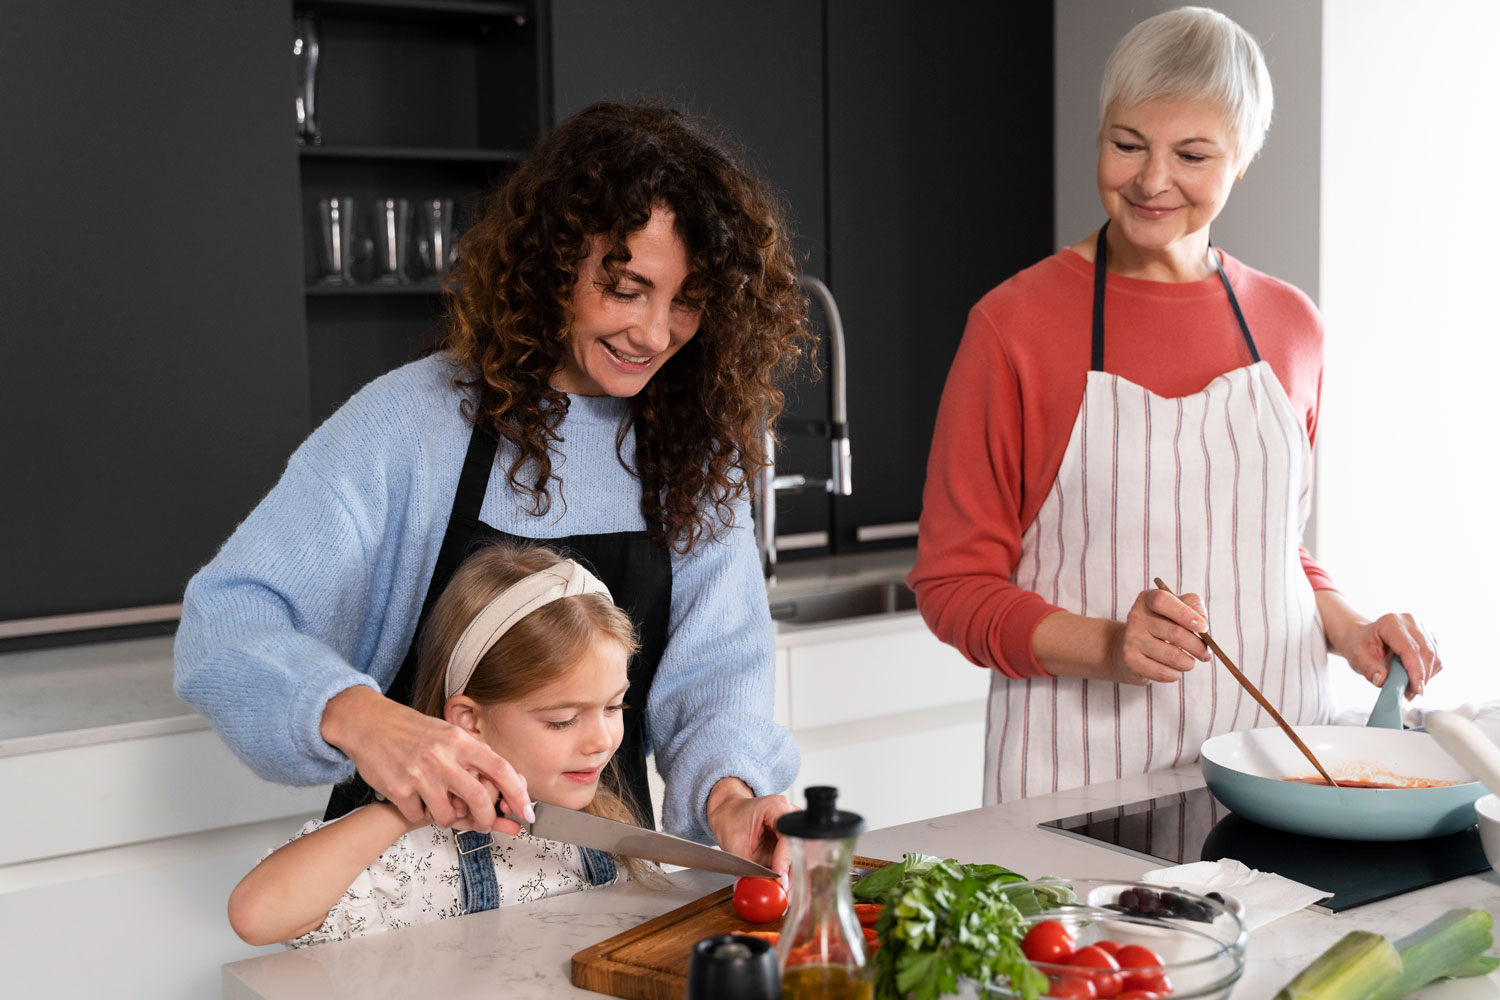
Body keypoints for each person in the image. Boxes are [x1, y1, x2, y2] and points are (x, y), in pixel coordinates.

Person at [175, 102, 809, 871]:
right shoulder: (413, 424)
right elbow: (227, 616)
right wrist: (362, 718)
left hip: (601, 886)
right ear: (554, 264)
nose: (653, 332)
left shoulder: (694, 453)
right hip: (403, 888)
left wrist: (734, 800)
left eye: (686, 302)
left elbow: (716, 677)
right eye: (627, 288)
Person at [909, 6, 1441, 804]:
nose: (1152, 181)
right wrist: (1112, 647)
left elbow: (1270, 550)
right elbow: (953, 584)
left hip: (1281, 768)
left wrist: (1353, 630)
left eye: (1192, 154)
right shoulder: (1014, 326)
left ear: (1242, 159)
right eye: (1127, 144)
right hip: (1080, 783)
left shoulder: (1291, 326)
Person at [228, 543, 658, 947]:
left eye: (614, 706)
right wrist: (404, 814)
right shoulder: (414, 857)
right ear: (469, 721)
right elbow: (256, 916)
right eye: (562, 720)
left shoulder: (609, 836)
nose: (602, 740)